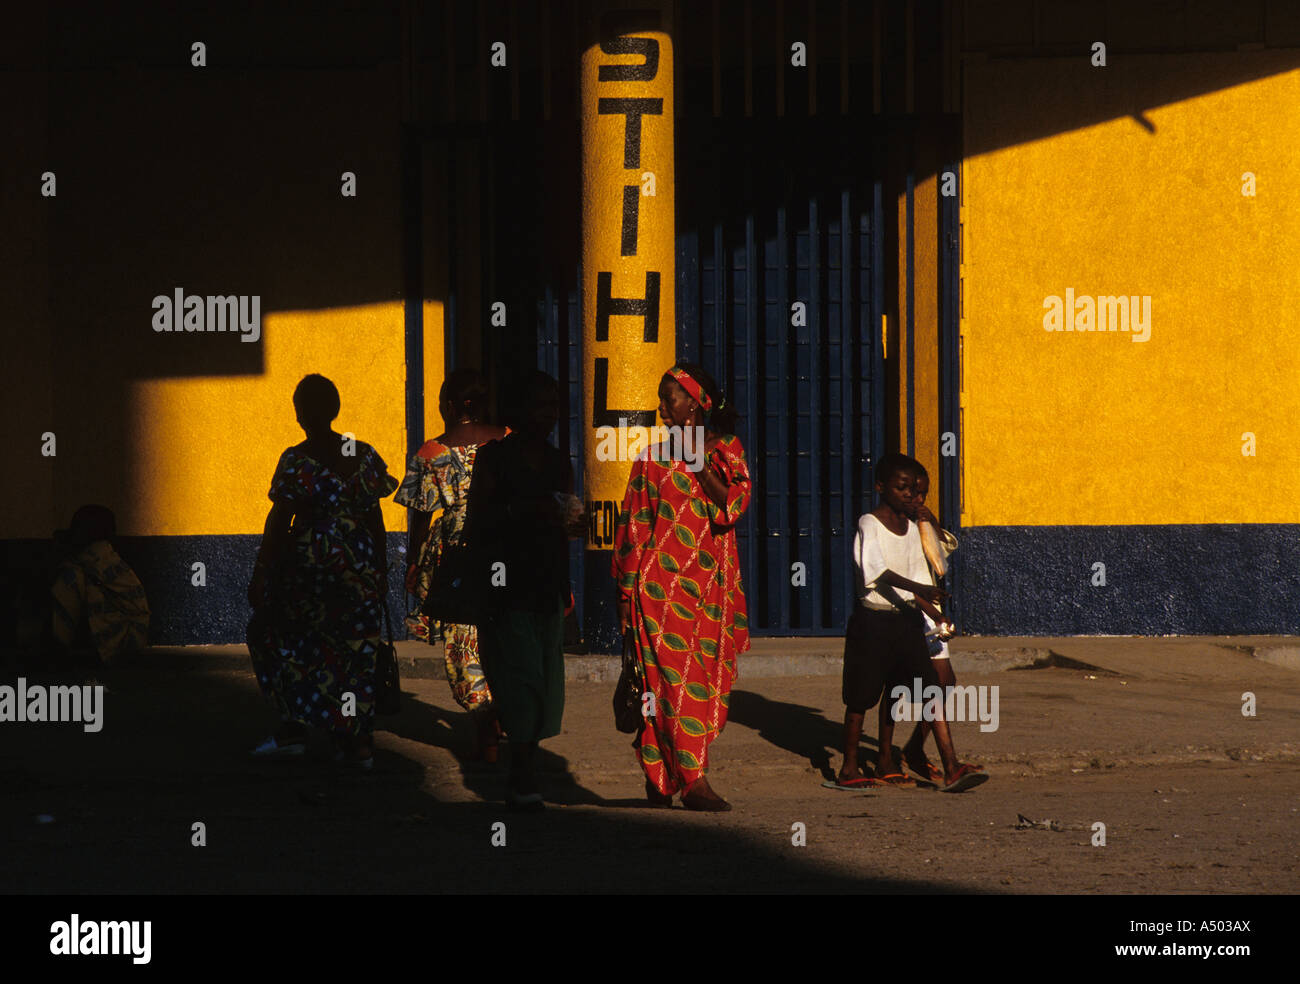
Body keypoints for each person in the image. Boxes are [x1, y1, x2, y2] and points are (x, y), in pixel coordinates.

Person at [611, 363, 751, 811]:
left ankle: (659, 778)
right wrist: (626, 595)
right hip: (657, 591)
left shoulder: (726, 451)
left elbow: (732, 506)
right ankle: (692, 780)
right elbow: (635, 529)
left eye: (668, 398)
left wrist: (697, 463)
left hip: (709, 591)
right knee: (671, 682)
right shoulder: (649, 458)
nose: (661, 407)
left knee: (698, 683)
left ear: (694, 403)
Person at [246, 374, 399, 768]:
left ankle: (295, 729)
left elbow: (279, 521)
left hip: (308, 570)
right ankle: (357, 745)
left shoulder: (296, 460)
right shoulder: (362, 455)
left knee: (290, 644)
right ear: (335, 410)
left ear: (299, 414)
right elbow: (375, 518)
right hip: (359, 567)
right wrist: (379, 569)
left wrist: (263, 572)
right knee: (356, 656)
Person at [464, 371, 586, 811]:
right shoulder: (494, 460)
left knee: (545, 679)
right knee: (517, 676)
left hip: (546, 583)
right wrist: (525, 511)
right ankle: (522, 768)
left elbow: (566, 519)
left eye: (553, 406)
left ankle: (525, 757)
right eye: (538, 405)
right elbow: (478, 522)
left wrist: (573, 527)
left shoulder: (558, 461)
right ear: (517, 410)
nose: (548, 415)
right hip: (507, 584)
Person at [832, 453, 985, 793]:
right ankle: (849, 767)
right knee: (860, 699)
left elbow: (922, 574)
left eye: (915, 491)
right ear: (881, 487)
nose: (910, 496)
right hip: (872, 623)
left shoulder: (916, 529)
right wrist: (921, 589)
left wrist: (935, 613)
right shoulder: (869, 523)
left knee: (927, 688)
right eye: (902, 489)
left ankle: (951, 765)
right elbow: (877, 572)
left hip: (906, 622)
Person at [394, 369, 508, 762]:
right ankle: (508, 714)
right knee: (502, 632)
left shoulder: (431, 453)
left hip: (456, 557)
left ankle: (486, 725)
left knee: (463, 641)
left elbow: (421, 515)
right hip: (505, 547)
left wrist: (413, 562)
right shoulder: (507, 440)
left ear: (450, 406)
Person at [899, 464, 984, 782]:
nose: (917, 498)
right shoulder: (894, 526)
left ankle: (914, 751)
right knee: (933, 684)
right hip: (913, 608)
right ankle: (949, 764)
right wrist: (934, 614)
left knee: (945, 681)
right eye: (912, 492)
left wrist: (929, 518)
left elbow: (942, 551)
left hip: (930, 609)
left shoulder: (920, 521)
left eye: (923, 493)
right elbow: (901, 581)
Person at [49, 505, 149, 663]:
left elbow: (70, 567)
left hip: (125, 636)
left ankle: (58, 647)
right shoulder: (105, 554)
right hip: (134, 633)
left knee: (71, 580)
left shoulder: (95, 555)